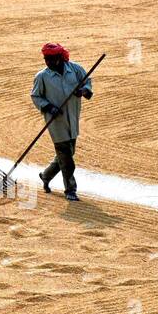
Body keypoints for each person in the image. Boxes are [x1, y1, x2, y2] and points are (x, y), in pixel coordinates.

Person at [30, 42, 93, 201]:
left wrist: (83, 91)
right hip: (55, 122)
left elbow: (87, 83)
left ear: (60, 57)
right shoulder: (42, 77)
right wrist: (49, 107)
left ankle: (46, 176)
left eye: (51, 59)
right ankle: (70, 190)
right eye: (46, 59)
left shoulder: (75, 69)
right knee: (66, 157)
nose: (48, 62)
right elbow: (36, 96)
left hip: (72, 117)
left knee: (68, 152)